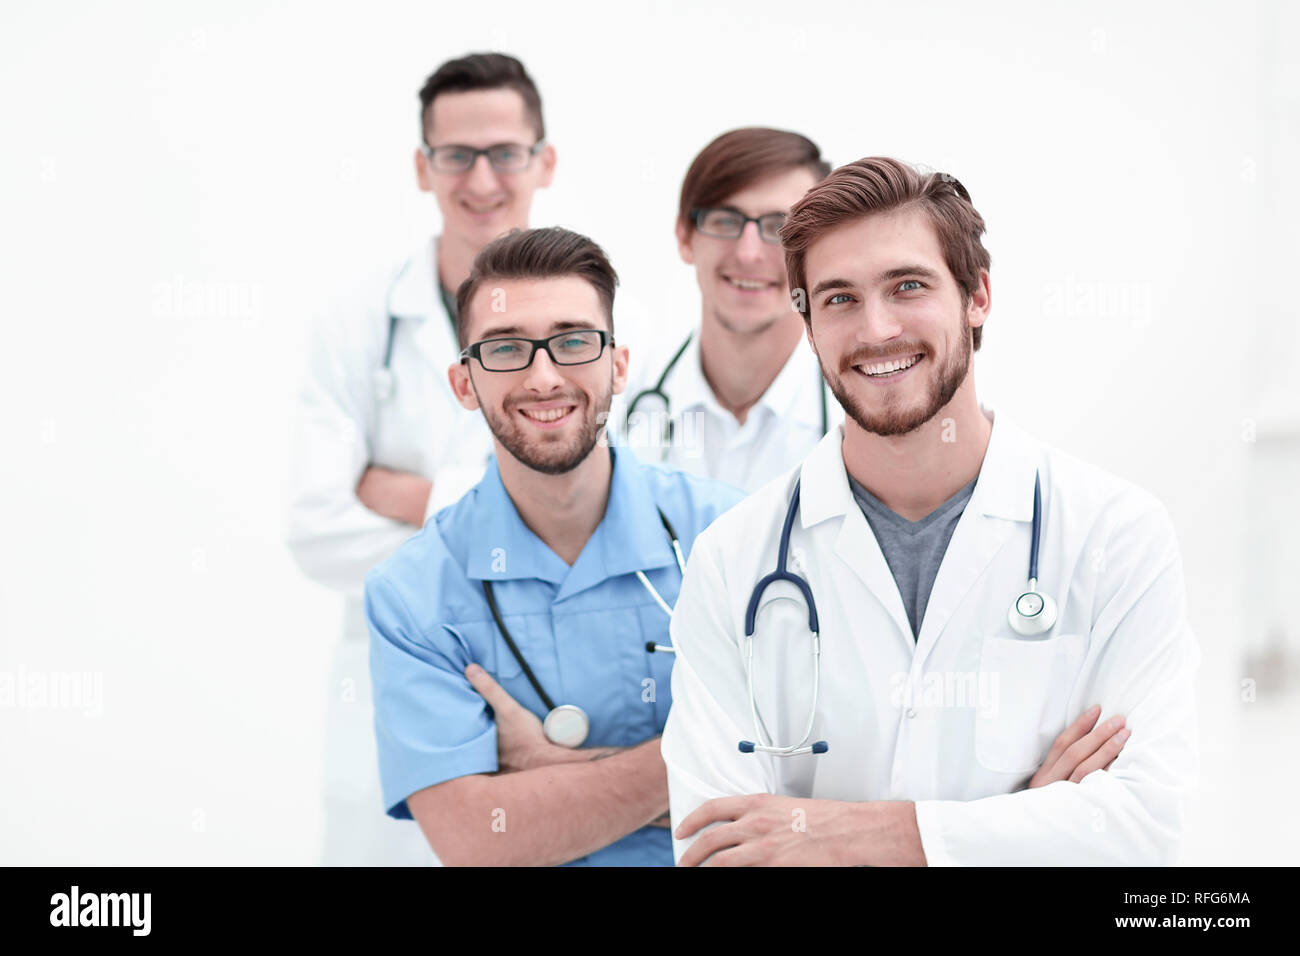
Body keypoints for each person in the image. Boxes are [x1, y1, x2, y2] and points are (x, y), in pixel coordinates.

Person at [661, 157, 1200, 866]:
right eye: (839, 299)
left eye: (907, 286)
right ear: (809, 324)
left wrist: (865, 835)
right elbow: (716, 851)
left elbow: (1148, 827)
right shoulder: (734, 559)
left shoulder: (1114, 534)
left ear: (977, 295)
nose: (877, 328)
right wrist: (1022, 821)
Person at [365, 226, 743, 866]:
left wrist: (552, 772)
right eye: (506, 349)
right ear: (464, 385)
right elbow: (477, 839)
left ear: (618, 366)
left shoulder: (727, 535)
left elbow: (801, 762)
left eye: (572, 342)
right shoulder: (412, 595)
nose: (543, 378)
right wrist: (699, 760)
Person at [285, 52, 556, 865]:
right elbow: (316, 533)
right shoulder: (357, 323)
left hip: (549, 684)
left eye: (505, 152)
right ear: (421, 167)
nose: (481, 179)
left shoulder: (603, 321)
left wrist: (408, 496)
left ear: (544, 161)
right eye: (456, 155)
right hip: (387, 683)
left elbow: (588, 524)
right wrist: (489, 512)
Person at [617, 128, 843, 492]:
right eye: (725, 221)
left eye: (779, 227)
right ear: (684, 237)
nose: (748, 253)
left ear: (819, 250)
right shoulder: (622, 399)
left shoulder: (858, 418)